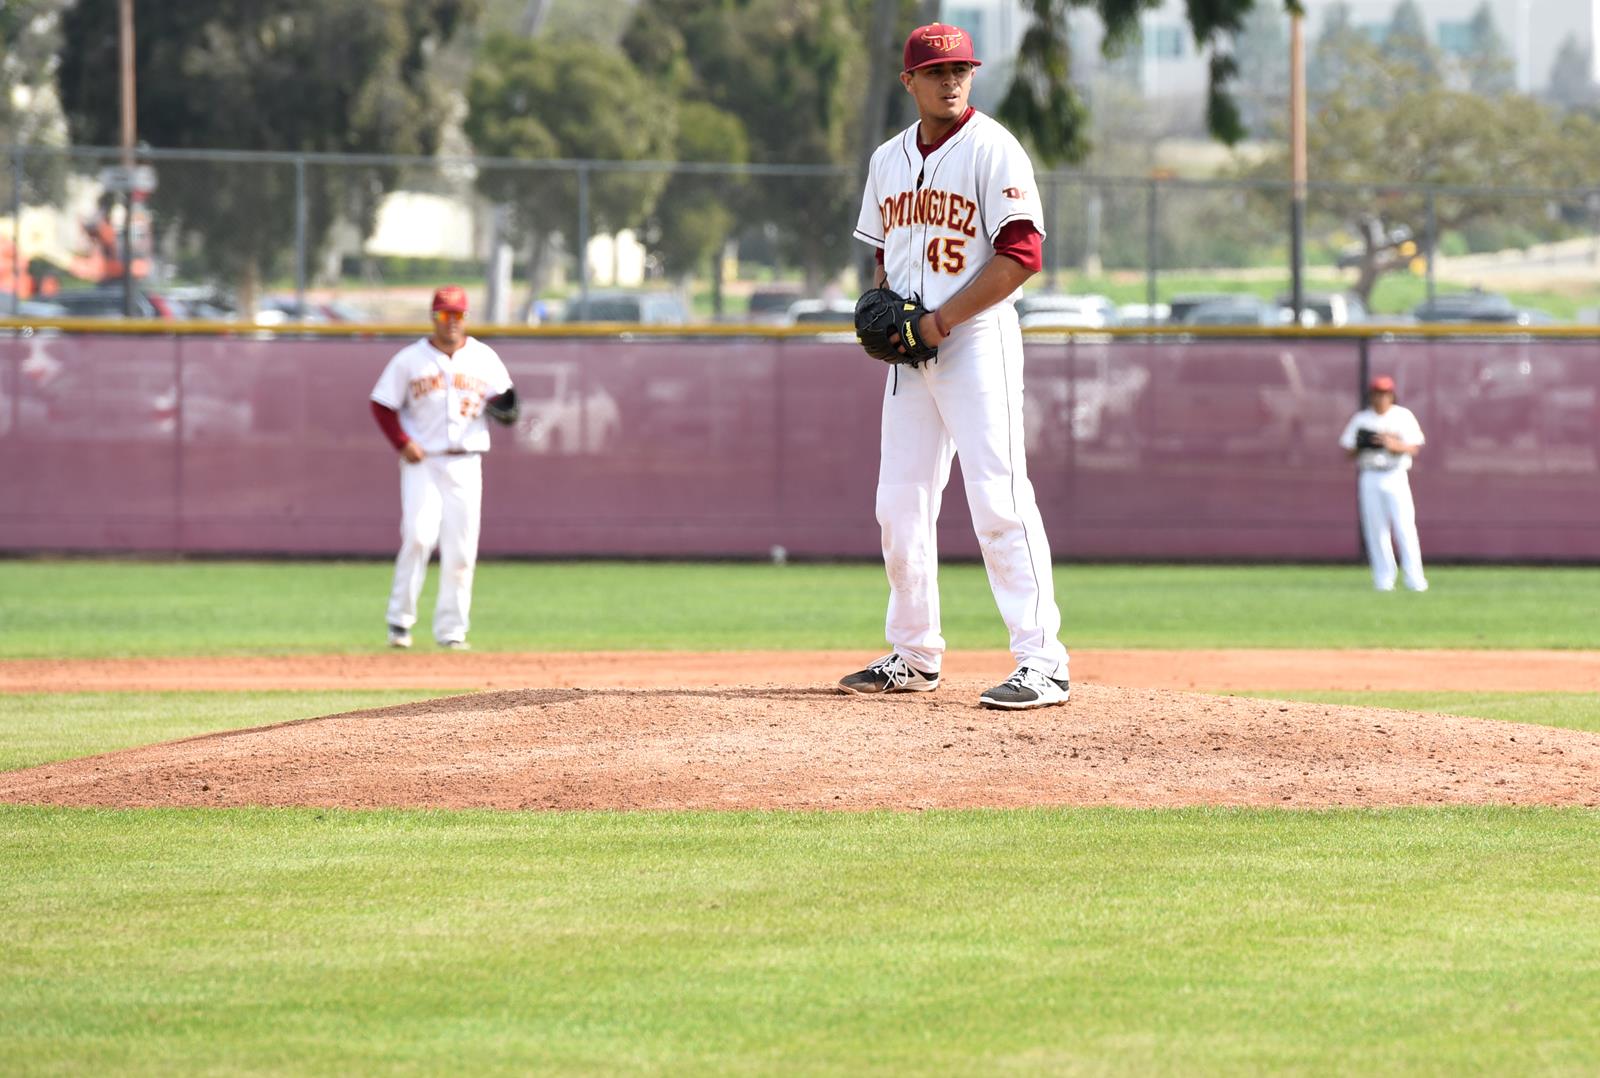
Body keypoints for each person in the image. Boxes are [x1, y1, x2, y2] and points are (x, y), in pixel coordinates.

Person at [838, 22, 1071, 710]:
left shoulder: (993, 148)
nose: (951, 81)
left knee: (999, 499)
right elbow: (884, 250)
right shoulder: (887, 158)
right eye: (936, 72)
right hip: (914, 349)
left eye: (961, 70)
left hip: (975, 343)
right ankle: (914, 653)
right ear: (909, 81)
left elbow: (1022, 256)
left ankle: (1043, 662)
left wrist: (941, 320)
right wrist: (888, 307)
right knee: (897, 507)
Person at [369, 286, 519, 649]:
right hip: (424, 461)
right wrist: (403, 443)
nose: (450, 322)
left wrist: (506, 408)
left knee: (461, 551)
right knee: (419, 536)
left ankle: (452, 631)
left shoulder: (483, 357)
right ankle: (399, 622)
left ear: (465, 318)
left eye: (457, 315)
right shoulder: (410, 359)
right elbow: (382, 404)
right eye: (443, 315)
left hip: (467, 462)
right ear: (433, 317)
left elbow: (507, 401)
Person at [1338, 374, 1428, 592]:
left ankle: (1415, 579)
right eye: (1377, 393)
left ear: (1392, 395)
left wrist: (1391, 444)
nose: (1381, 398)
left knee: (1404, 527)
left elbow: (1414, 446)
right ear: (1371, 396)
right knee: (1376, 529)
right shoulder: (1362, 419)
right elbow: (1348, 450)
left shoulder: (1402, 416)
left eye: (1385, 393)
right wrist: (1365, 443)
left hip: (1395, 473)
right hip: (1370, 473)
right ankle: (1384, 579)